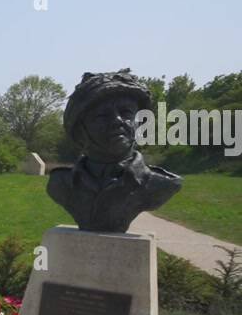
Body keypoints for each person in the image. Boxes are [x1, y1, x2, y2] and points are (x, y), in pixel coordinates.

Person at [47, 69, 182, 233]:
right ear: (80, 129)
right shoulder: (61, 183)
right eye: (102, 116)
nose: (117, 121)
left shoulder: (160, 184)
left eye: (126, 113)